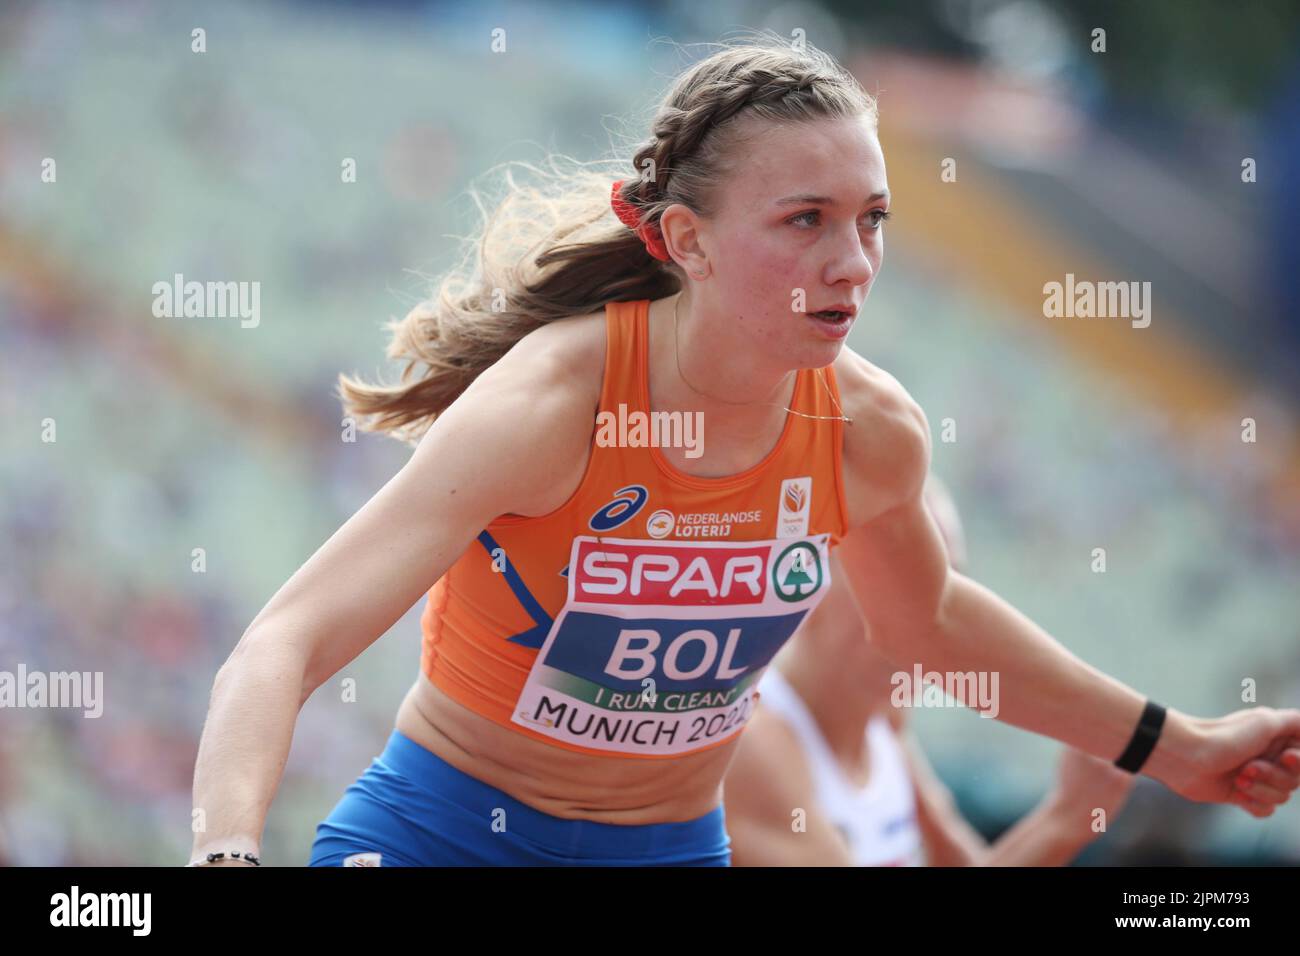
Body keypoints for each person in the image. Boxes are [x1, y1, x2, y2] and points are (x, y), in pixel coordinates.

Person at [188, 35, 1300, 868]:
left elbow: (934, 621)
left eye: (873, 218)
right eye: (804, 219)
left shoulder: (866, 429)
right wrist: (229, 854)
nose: (854, 260)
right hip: (447, 832)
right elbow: (285, 637)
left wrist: (1177, 741)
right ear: (686, 240)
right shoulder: (553, 404)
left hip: (671, 848)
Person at [724, 477, 1136, 865]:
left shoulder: (884, 723)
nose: (929, 616)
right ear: (810, 577)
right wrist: (1065, 820)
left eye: (948, 585)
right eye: (899, 580)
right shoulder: (752, 742)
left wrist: (1069, 813)